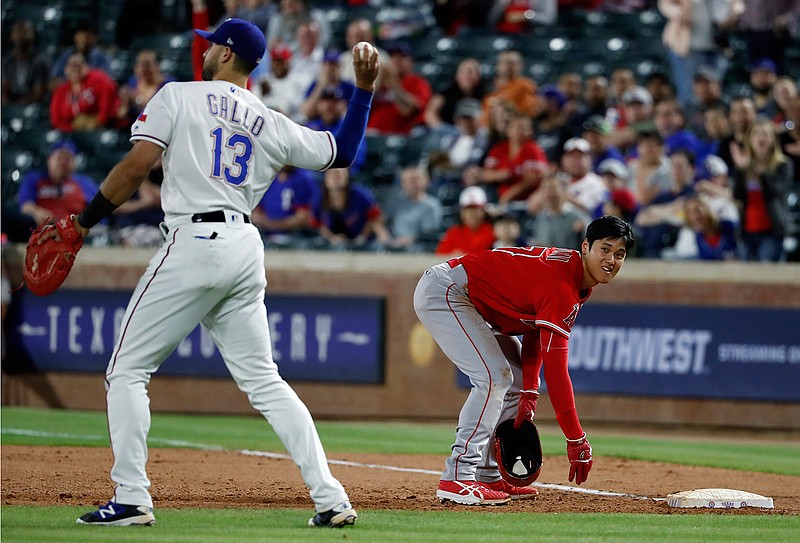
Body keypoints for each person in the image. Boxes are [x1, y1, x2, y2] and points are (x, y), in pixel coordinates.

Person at [56, 18, 379, 527]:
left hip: (193, 240)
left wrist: (83, 222)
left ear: (226, 54)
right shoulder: (270, 120)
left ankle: (132, 497)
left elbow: (138, 165)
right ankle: (331, 497)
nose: (204, 52)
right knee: (266, 381)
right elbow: (343, 152)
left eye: (211, 46)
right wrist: (363, 90)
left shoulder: (178, 95)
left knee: (127, 370)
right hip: (244, 247)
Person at [414, 215, 634, 505]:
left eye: (619, 254)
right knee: (494, 377)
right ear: (585, 246)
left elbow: (534, 329)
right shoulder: (562, 284)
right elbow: (556, 373)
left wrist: (529, 389)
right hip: (448, 291)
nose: (611, 260)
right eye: (605, 249)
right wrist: (575, 438)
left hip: (472, 298)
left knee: (515, 380)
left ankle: (487, 474)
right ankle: (458, 476)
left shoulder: (574, 275)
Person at [732, 117, 794, 261]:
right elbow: (738, 195)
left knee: (768, 271)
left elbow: (774, 193)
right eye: (756, 134)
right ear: (750, 139)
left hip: (772, 231)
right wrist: (741, 171)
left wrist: (762, 173)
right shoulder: (745, 167)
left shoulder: (783, 165)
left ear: (772, 140)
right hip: (747, 230)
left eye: (765, 134)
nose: (761, 138)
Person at [463, 113, 548, 206]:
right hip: (497, 195)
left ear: (530, 131)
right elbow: (485, 173)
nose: (518, 131)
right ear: (508, 130)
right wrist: (499, 175)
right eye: (515, 127)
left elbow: (530, 181)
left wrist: (507, 196)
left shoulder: (533, 150)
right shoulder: (499, 149)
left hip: (526, 200)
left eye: (523, 127)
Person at [18, 141, 99, 227]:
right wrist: (36, 212)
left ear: (74, 163)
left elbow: (99, 206)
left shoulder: (83, 182)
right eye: (59, 158)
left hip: (79, 229)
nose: (63, 163)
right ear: (49, 160)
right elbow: (25, 206)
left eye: (68, 159)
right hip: (47, 228)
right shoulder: (34, 179)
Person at [313, 167, 391, 249]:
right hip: (334, 244)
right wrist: (331, 238)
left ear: (347, 177)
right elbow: (317, 224)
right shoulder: (319, 199)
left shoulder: (360, 195)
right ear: (325, 177)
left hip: (365, 242)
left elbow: (377, 218)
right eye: (332, 175)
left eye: (339, 175)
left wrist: (363, 237)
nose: (336, 179)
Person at [366, 42, 432, 136]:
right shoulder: (382, 83)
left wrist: (394, 85)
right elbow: (366, 107)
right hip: (372, 132)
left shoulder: (417, 82)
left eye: (401, 57)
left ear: (411, 62)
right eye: (392, 57)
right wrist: (378, 80)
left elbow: (408, 111)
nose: (396, 61)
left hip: (400, 134)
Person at [49, 53, 119, 132]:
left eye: (79, 65)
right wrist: (72, 129)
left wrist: (99, 121)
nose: (76, 68)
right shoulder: (60, 92)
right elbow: (56, 119)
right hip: (71, 133)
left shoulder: (98, 79)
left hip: (100, 129)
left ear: (86, 66)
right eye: (72, 65)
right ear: (66, 69)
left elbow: (109, 98)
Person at [251, 165, 318, 246]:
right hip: (266, 236)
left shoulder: (302, 179)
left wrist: (273, 225)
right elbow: (255, 214)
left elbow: (303, 218)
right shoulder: (267, 178)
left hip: (295, 237)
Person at [383, 166, 444, 252]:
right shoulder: (395, 202)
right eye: (407, 180)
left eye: (416, 179)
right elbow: (381, 221)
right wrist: (383, 234)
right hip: (394, 244)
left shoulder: (432, 205)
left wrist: (407, 240)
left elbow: (429, 233)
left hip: (419, 247)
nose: (413, 184)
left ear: (426, 181)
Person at [527, 172, 592, 250]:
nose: (549, 193)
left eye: (553, 188)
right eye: (545, 188)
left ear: (565, 190)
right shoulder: (540, 218)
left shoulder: (577, 216)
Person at [424, 58, 489, 133]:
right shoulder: (444, 94)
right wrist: (442, 128)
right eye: (465, 71)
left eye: (472, 71)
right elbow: (430, 113)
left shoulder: (487, 96)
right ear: (457, 75)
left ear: (479, 76)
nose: (468, 75)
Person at [117, 50, 174, 129]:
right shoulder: (132, 83)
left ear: (157, 65)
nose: (143, 69)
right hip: (133, 129)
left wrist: (136, 100)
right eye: (140, 65)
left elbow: (163, 114)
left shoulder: (168, 85)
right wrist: (125, 102)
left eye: (147, 65)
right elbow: (121, 114)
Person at [435, 186, 496, 256]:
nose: (472, 214)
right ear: (461, 212)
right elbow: (439, 256)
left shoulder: (492, 232)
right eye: (468, 209)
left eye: (476, 209)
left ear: (484, 211)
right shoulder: (453, 232)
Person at [1, 19, 50, 105]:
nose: (20, 36)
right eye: (17, 31)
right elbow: (5, 89)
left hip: (33, 107)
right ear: (12, 36)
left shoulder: (40, 61)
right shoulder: (7, 61)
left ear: (32, 36)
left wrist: (17, 105)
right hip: (11, 107)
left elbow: (39, 93)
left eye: (25, 32)